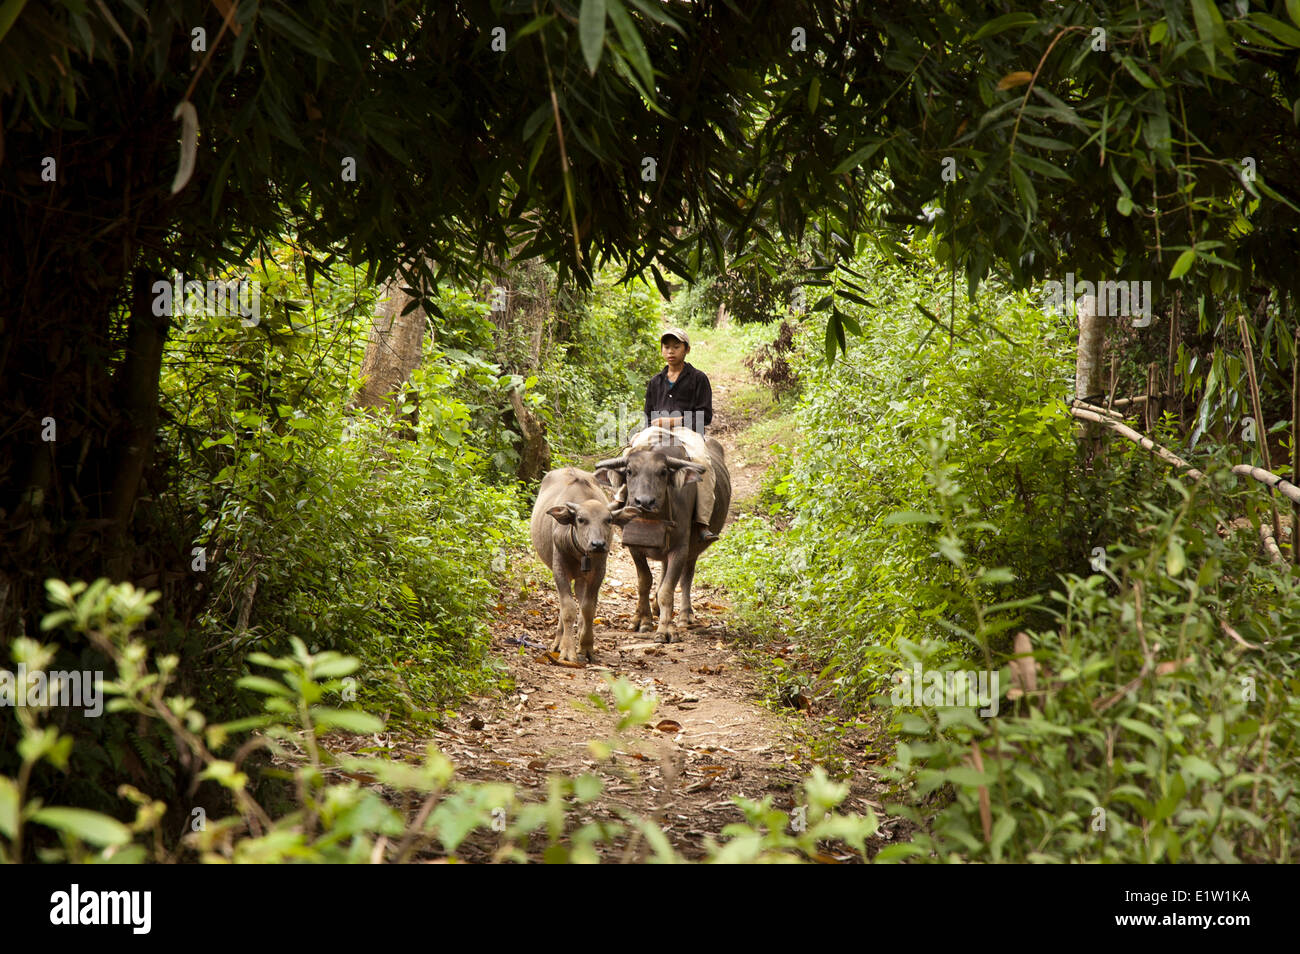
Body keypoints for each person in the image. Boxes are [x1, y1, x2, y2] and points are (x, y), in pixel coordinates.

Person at [634, 327, 718, 542]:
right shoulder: (655, 381)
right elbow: (648, 415)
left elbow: (705, 416)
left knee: (702, 462)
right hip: (656, 429)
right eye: (667, 347)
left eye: (676, 347)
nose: (671, 351)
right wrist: (648, 431)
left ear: (686, 350)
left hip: (688, 430)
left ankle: (702, 521)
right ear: (662, 350)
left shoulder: (699, 379)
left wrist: (673, 421)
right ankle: (623, 503)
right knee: (633, 453)